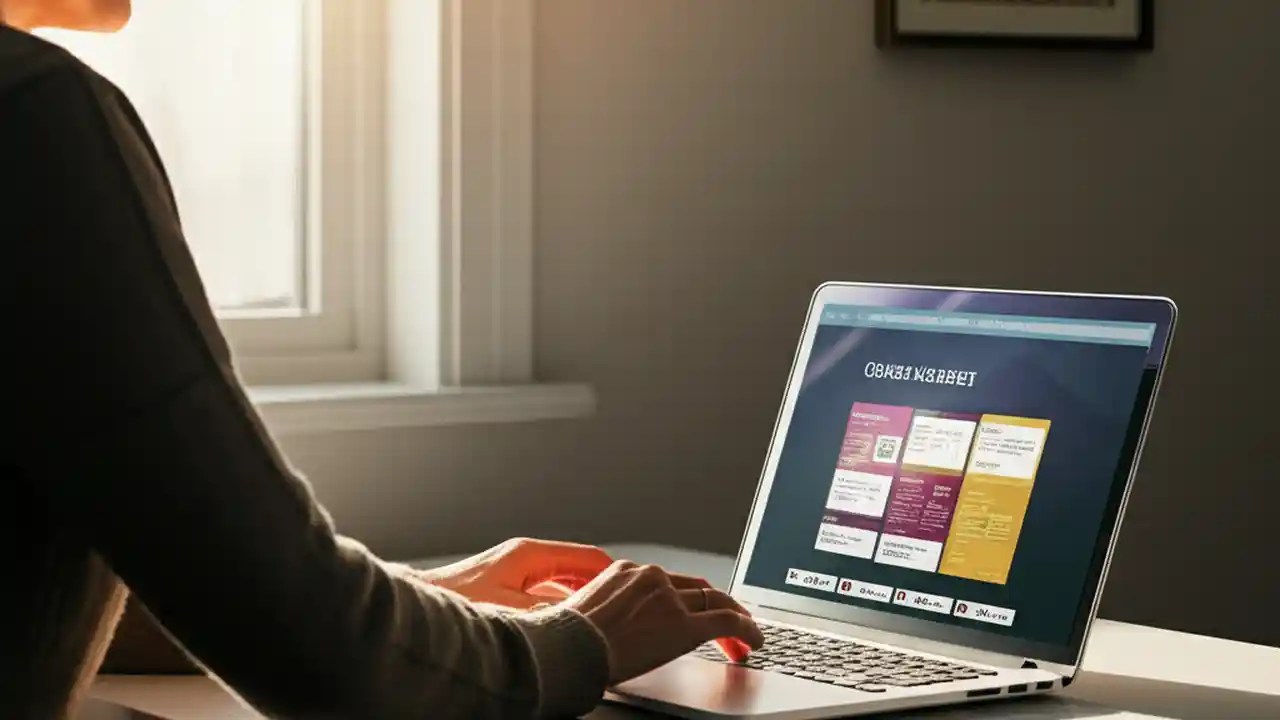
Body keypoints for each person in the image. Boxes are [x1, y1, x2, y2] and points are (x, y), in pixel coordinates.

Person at [0, 1, 764, 718]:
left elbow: (213, 587)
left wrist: (422, 604)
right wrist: (578, 644)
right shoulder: (36, 110)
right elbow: (324, 662)